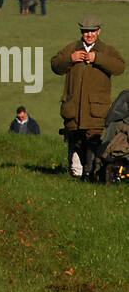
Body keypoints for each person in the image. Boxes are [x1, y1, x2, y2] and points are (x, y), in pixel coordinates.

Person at [51, 16, 125, 180]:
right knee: (76, 140)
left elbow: (120, 67)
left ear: (98, 31)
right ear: (81, 32)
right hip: (73, 108)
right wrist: (70, 58)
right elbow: (55, 65)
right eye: (85, 32)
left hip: (96, 110)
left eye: (92, 31)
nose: (89, 35)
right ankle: (78, 173)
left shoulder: (107, 50)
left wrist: (97, 58)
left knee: (93, 139)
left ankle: (90, 173)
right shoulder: (72, 48)